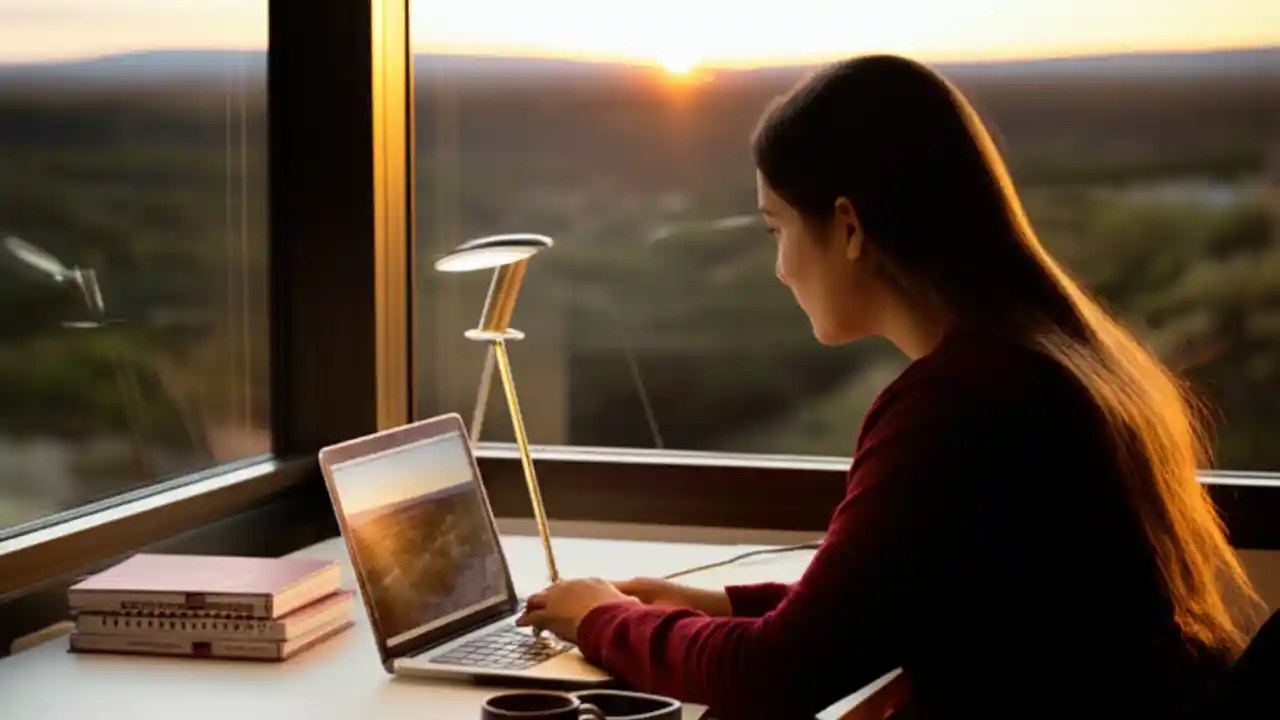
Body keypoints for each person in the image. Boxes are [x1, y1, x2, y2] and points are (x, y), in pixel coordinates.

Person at [516, 55, 1261, 719]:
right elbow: (900, 604)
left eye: (776, 229)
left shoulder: (959, 406)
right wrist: (719, 604)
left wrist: (600, 622)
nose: (778, 267)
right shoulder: (1051, 361)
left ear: (847, 227)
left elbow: (775, 676)